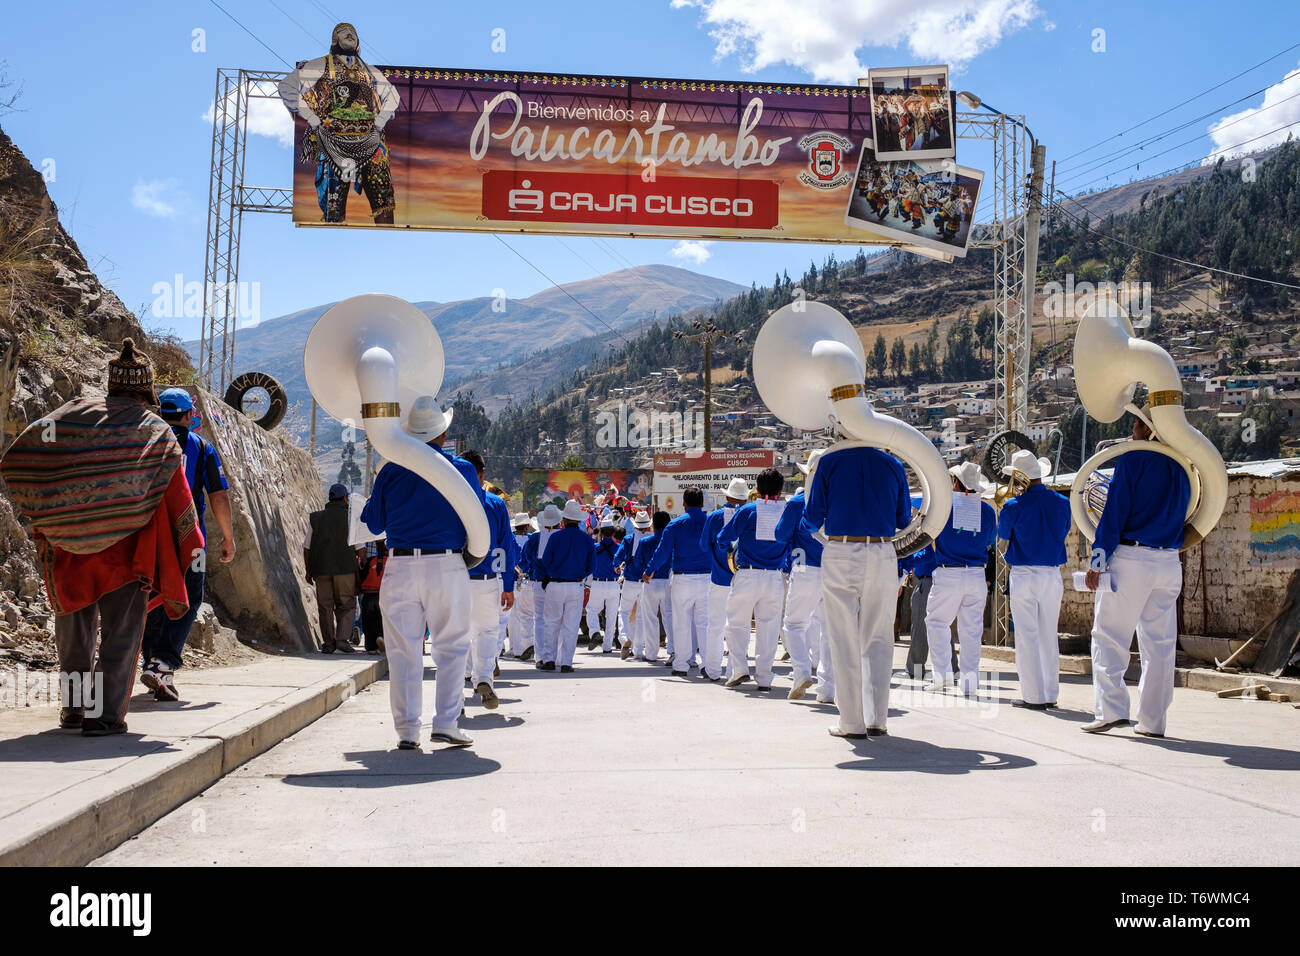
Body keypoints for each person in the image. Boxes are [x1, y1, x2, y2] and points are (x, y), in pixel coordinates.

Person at [0, 339, 203, 736]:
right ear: (146, 389)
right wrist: (191, 544)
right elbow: (179, 501)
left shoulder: (72, 415)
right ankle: (103, 717)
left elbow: (18, 458)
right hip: (127, 554)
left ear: (110, 384)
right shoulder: (155, 432)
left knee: (74, 633)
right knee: (120, 637)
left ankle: (73, 710)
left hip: (69, 547)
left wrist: (43, 515)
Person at [361, 396, 482, 749]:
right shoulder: (463, 470)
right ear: (443, 434)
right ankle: (445, 722)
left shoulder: (390, 470)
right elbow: (476, 520)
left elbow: (373, 522)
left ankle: (407, 731)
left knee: (402, 652)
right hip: (446, 564)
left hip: (399, 564)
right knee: (452, 647)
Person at [1084, 413, 1191, 737]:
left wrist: (1097, 560)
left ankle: (1112, 710)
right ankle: (1153, 721)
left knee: (1109, 636)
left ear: (1147, 428)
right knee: (1160, 645)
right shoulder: (1185, 465)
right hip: (1169, 561)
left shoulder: (1134, 459)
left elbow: (1114, 512)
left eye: (1135, 425)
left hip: (1132, 558)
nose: (1132, 431)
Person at [804, 440, 910, 738]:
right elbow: (903, 520)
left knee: (842, 636)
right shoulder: (894, 464)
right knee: (879, 636)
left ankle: (851, 722)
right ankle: (877, 718)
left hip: (841, 548)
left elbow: (812, 518)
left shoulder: (830, 461)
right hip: (882, 551)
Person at [139, 387, 236, 702]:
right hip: (188, 541)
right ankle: (164, 661)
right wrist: (228, 537)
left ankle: (153, 663)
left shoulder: (145, 442)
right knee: (190, 598)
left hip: (149, 539)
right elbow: (218, 495)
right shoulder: (201, 447)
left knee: (152, 598)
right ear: (188, 415)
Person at [276, 22, 400, 224]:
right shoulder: (320, 64)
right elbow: (287, 86)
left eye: (353, 32)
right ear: (335, 39)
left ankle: (389, 238)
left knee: (384, 201)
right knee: (333, 207)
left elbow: (392, 95)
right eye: (344, 32)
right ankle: (331, 242)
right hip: (334, 142)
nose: (350, 34)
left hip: (370, 143)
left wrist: (380, 121)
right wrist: (312, 117)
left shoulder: (369, 71)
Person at [997, 450, 1071, 710]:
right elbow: (1063, 532)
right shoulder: (1062, 502)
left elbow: (1003, 537)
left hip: (1024, 574)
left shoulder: (1012, 506)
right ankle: (1051, 693)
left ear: (1020, 477)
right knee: (1048, 634)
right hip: (1052, 573)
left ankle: (1033, 695)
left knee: (1027, 635)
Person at [924, 461, 996, 697]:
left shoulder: (945, 506)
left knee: (936, 623)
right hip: (977, 572)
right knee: (972, 630)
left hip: (948, 572)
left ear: (956, 482)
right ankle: (969, 682)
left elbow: (929, 532)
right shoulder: (987, 510)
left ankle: (941, 675)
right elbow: (989, 539)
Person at [717, 468, 791, 692]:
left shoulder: (748, 509)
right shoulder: (786, 512)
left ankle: (739, 669)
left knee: (736, 624)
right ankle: (765, 677)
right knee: (768, 628)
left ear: (756, 489)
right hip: (775, 576)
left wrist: (728, 548)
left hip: (748, 573)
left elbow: (724, 537)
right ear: (780, 490)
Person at [462, 451, 515, 710]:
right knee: (487, 632)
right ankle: (483, 677)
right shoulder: (496, 504)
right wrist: (508, 586)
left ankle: (454, 689)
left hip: (456, 578)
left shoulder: (453, 500)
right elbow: (506, 547)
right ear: (482, 472)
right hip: (488, 579)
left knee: (457, 634)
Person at [775, 452, 828, 701]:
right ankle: (828, 687)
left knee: (794, 624)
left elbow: (781, 534)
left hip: (804, 567)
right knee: (829, 629)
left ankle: (801, 672)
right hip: (834, 570)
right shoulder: (837, 499)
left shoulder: (797, 503)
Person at [647, 486, 711, 676]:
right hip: (707, 578)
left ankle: (681, 665)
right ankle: (708, 664)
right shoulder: (711, 522)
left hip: (682, 579)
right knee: (704, 624)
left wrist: (649, 570)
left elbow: (662, 552)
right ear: (702, 504)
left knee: (681, 623)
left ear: (683, 504)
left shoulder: (675, 524)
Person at [537, 499, 595, 672]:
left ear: (564, 519)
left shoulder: (555, 537)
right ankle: (566, 662)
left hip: (555, 584)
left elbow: (546, 560)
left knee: (551, 623)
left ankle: (548, 659)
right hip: (575, 585)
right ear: (578, 520)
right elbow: (592, 566)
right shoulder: (586, 539)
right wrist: (579, 575)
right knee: (571, 625)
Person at [698, 478, 747, 682]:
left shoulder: (715, 517)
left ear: (727, 496)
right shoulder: (750, 515)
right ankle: (733, 671)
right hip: (744, 579)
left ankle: (713, 670)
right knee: (739, 627)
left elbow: (703, 545)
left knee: (715, 625)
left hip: (719, 578)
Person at [304, 483, 361, 655]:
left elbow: (307, 547)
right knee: (347, 604)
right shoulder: (351, 519)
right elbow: (361, 549)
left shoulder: (316, 518)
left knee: (325, 606)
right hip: (346, 570)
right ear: (345, 498)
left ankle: (328, 643)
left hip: (321, 570)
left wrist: (309, 570)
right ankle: (342, 640)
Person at [899, 530, 951, 682]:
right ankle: (952, 668)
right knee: (943, 626)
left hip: (928, 581)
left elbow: (924, 556)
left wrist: (907, 558)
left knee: (920, 627)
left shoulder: (930, 534)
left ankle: (914, 669)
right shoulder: (945, 530)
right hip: (942, 579)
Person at [629, 511, 673, 663]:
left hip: (650, 582)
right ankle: (673, 650)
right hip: (668, 581)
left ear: (653, 524)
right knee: (669, 617)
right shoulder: (671, 540)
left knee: (650, 618)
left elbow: (637, 563)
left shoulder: (644, 542)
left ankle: (651, 653)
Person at [524, 504, 562, 661]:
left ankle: (540, 656)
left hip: (539, 581)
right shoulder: (561, 537)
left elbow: (524, 559)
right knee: (557, 620)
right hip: (558, 582)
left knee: (539, 620)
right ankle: (558, 656)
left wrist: (532, 567)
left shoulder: (534, 538)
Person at [617, 510, 653, 660]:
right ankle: (638, 650)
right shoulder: (651, 538)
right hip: (647, 581)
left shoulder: (628, 539)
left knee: (624, 611)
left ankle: (624, 637)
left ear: (636, 526)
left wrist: (616, 565)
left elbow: (618, 556)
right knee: (641, 616)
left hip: (631, 580)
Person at [586, 517, 622, 653]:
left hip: (597, 583)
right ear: (613, 532)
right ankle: (607, 647)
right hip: (614, 584)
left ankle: (595, 632)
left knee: (591, 609)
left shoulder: (595, 548)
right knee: (612, 616)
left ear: (601, 533)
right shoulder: (619, 548)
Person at [507, 512, 537, 659]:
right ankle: (527, 645)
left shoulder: (511, 539)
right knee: (528, 614)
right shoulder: (532, 540)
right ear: (526, 526)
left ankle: (515, 647)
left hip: (512, 579)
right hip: (528, 579)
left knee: (513, 615)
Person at [358, 540, 387, 654]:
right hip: (383, 595)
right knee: (382, 619)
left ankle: (370, 646)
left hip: (369, 594)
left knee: (368, 620)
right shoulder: (389, 562)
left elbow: (362, 577)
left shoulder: (370, 560)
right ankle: (381, 636)